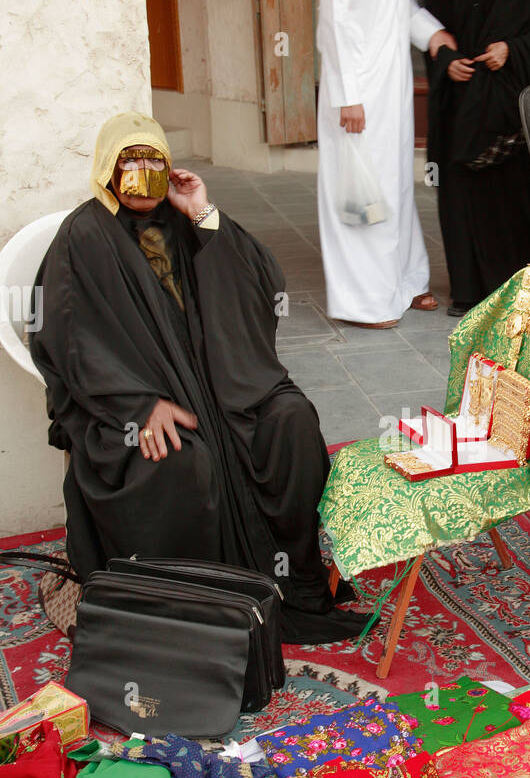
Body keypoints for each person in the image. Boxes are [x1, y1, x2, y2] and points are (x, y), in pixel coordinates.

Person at [30, 112, 370, 644]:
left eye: (154, 161)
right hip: (128, 402)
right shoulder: (84, 236)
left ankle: (296, 580)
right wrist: (137, 405)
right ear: (107, 171)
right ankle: (201, 605)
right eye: (129, 161)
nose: (143, 172)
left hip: (223, 382)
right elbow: (67, 341)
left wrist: (204, 213)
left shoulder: (185, 219)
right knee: (183, 460)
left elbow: (259, 286)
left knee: (290, 419)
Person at [316, 0, 456, 329]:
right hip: (354, 89)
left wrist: (433, 34)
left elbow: (400, 8)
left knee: (395, 181)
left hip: (392, 82)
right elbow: (332, 21)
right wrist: (346, 96)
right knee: (360, 193)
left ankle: (405, 282)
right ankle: (364, 301)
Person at [425, 0, 530, 317]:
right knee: (464, 205)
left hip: (507, 121)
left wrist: (510, 50)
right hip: (460, 120)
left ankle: (526, 287)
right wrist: (449, 64)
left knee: (513, 205)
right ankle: (471, 290)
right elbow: (432, 37)